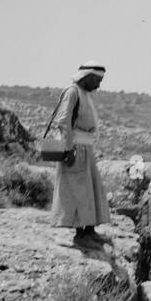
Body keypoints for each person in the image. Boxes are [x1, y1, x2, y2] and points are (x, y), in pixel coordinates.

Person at [51, 62, 111, 245]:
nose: (98, 85)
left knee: (90, 190)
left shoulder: (84, 94)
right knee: (78, 191)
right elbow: (63, 121)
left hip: (85, 149)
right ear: (87, 77)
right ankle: (80, 234)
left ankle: (90, 230)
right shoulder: (72, 92)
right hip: (75, 148)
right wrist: (68, 148)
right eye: (97, 80)